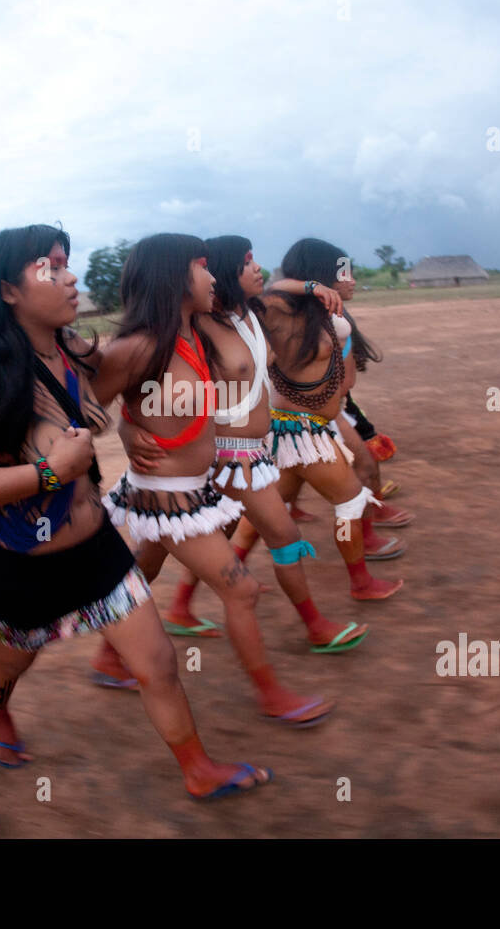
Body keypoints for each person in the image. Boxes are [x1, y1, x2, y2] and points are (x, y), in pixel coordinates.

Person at [0, 224, 274, 796]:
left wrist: (135, 434)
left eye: (68, 263)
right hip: (23, 565)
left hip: (97, 550)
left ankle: (198, 770)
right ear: (9, 290)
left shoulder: (73, 352)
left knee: (158, 663)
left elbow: (130, 384)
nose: (71, 277)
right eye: (52, 267)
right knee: (11, 663)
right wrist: (46, 473)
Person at [93, 232, 334, 727]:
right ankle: (270, 694)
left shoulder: (189, 333)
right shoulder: (141, 345)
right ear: (174, 277)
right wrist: (122, 432)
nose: (212, 277)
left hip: (199, 484)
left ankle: (109, 653)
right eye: (202, 267)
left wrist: (129, 420)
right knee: (241, 590)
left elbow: (138, 401)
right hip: (164, 492)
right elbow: (86, 406)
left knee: (143, 570)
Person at [119, 236, 368, 653]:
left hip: (256, 450)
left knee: (174, 545)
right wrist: (130, 429)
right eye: (246, 262)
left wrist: (311, 288)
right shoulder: (203, 324)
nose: (257, 269)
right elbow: (145, 385)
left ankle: (168, 613)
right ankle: (315, 626)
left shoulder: (254, 313)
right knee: (284, 533)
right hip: (227, 454)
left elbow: (281, 286)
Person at [257, 237, 405, 601]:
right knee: (349, 500)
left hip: (314, 423)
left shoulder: (323, 316)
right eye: (342, 273)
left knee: (262, 517)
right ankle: (360, 582)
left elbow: (345, 382)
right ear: (319, 277)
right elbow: (273, 287)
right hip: (297, 428)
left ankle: (208, 585)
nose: (351, 279)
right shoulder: (281, 309)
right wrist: (312, 287)